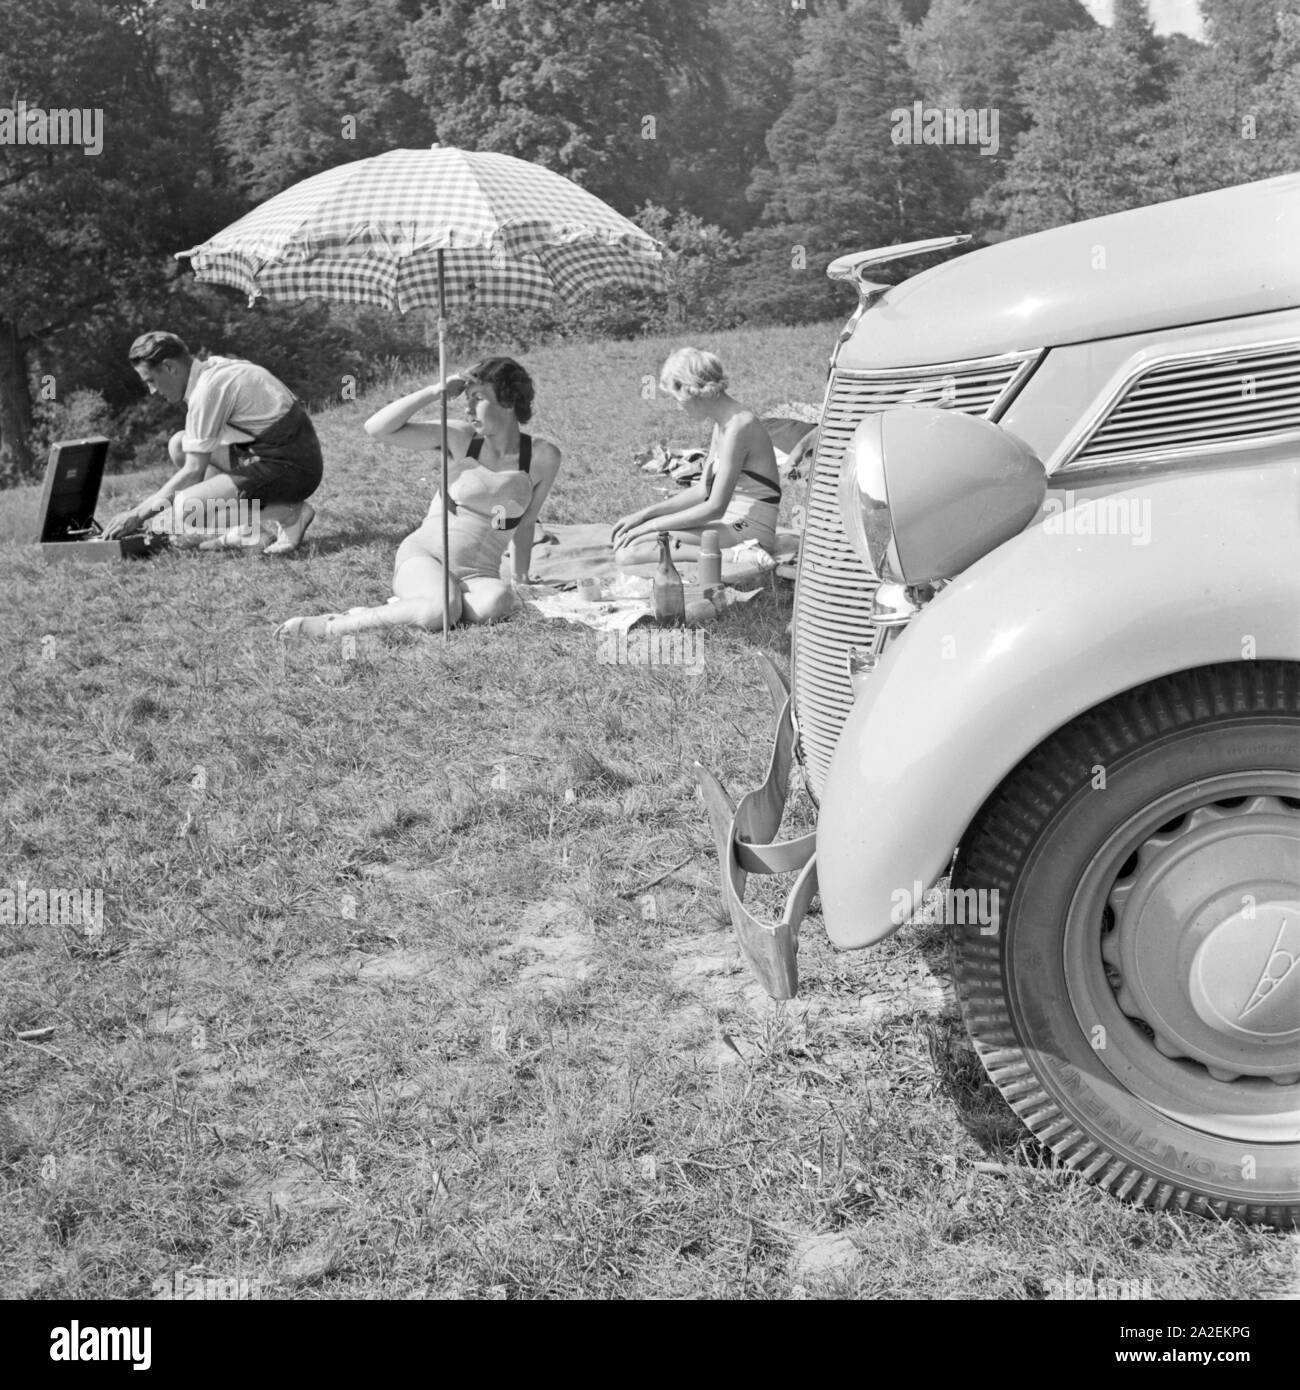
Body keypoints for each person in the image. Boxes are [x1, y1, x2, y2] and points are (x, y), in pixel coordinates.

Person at [275, 357, 560, 637]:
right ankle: (331, 625)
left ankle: (412, 607)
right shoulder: (460, 438)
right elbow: (377, 428)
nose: (468, 408)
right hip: (427, 556)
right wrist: (434, 391)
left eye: (479, 398)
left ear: (509, 401)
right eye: (468, 399)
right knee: (441, 610)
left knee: (499, 602)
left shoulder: (542, 457)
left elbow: (526, 524)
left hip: (478, 575)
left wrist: (520, 580)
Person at [103, 332, 322, 554]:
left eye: (150, 380)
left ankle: (290, 514)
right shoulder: (212, 369)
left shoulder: (207, 391)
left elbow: (193, 472)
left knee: (187, 509)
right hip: (287, 456)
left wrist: (138, 514)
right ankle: (245, 530)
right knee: (179, 444)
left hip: (295, 470)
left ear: (169, 367)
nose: (152, 390)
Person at [611, 347, 780, 564]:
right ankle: (723, 553)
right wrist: (644, 516)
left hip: (749, 530)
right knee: (630, 541)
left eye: (676, 398)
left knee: (632, 551)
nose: (678, 406)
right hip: (731, 521)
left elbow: (714, 508)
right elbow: (702, 491)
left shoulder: (739, 427)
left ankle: (737, 555)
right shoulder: (724, 423)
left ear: (689, 390)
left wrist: (651, 526)